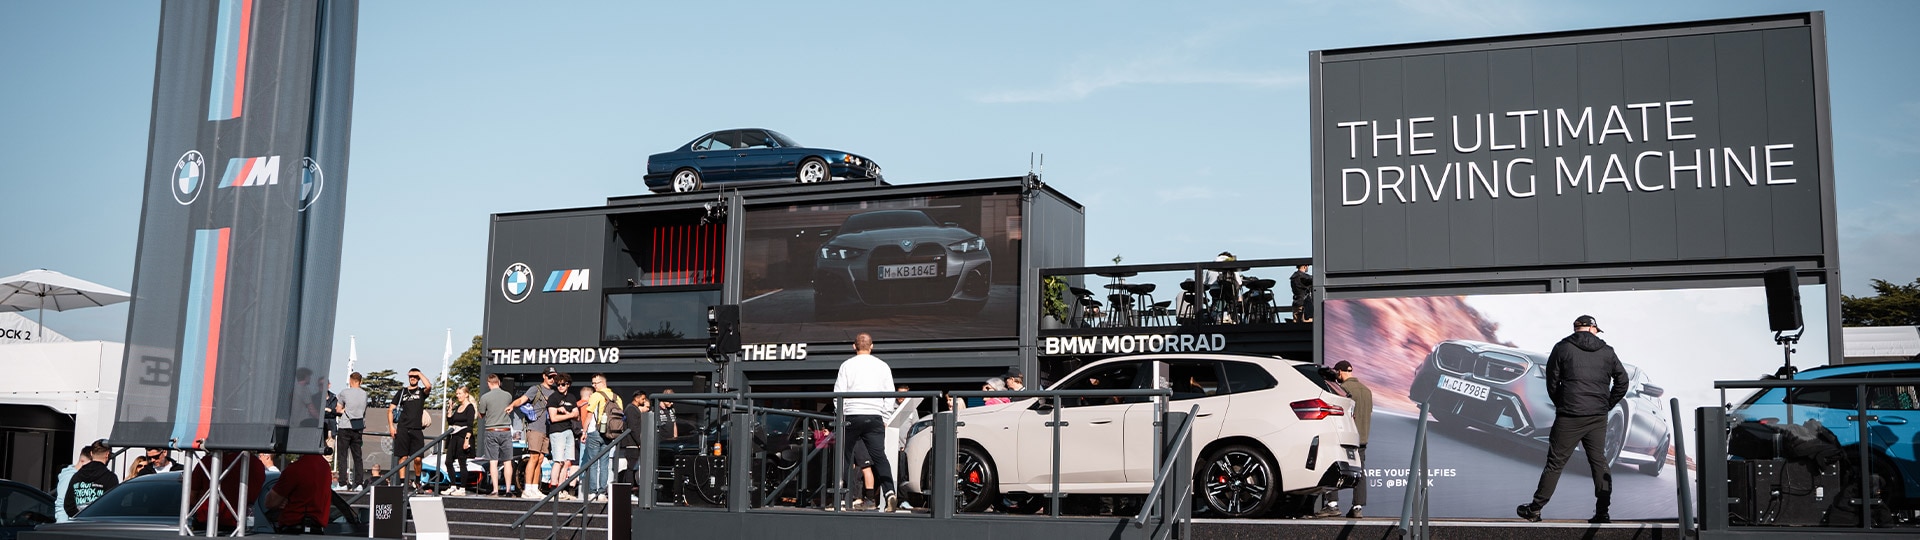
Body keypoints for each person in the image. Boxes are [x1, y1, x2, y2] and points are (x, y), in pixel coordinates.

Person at [1518, 315, 1629, 525]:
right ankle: (1603, 513)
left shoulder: (1562, 347)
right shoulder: (1607, 351)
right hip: (1596, 417)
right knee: (1599, 462)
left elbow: (1552, 381)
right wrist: (1606, 404)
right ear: (1592, 328)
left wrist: (1562, 402)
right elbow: (1622, 381)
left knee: (1555, 464)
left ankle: (1535, 509)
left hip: (1569, 415)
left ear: (1577, 328)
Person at [833, 333, 896, 512]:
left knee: (845, 457)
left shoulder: (846, 365)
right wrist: (885, 417)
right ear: (872, 346)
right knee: (880, 457)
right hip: (874, 416)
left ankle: (843, 496)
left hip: (852, 415)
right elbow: (890, 394)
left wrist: (842, 415)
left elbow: (838, 394)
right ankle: (889, 492)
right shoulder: (882, 366)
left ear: (854, 346)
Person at [508, 367, 559, 499]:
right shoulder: (536, 389)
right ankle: (527, 489)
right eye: (550, 376)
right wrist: (512, 405)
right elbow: (522, 399)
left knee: (540, 459)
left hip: (547, 429)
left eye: (554, 377)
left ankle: (535, 488)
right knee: (534, 457)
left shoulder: (554, 392)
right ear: (544, 376)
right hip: (535, 428)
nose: (552, 379)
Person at [189, 449, 265, 533]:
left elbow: (190, 498)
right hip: (241, 525)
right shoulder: (256, 465)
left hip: (206, 523)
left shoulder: (207, 462)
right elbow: (254, 496)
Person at [1333, 360, 1372, 518]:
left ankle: (1332, 504)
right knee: (1360, 472)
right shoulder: (1367, 391)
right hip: (1361, 439)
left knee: (1334, 468)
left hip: (1345, 438)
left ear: (1339, 372)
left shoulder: (1341, 389)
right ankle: (1357, 507)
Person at [265, 453, 333, 534]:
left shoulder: (296, 468)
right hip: (316, 530)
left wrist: (284, 500)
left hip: (294, 529)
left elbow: (270, 502)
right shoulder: (325, 467)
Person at [477, 373, 517, 497]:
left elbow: (481, 415)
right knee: (507, 461)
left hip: (491, 430)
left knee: (493, 462)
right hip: (505, 430)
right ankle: (508, 490)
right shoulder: (508, 396)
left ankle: (495, 489)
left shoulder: (485, 397)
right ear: (499, 382)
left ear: (488, 383)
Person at [395, 367, 433, 489]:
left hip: (416, 429)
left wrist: (419, 373)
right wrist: (391, 426)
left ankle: (417, 480)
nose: (413, 378)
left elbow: (428, 386)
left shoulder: (421, 392)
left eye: (415, 377)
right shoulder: (402, 392)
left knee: (417, 458)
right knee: (403, 457)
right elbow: (391, 409)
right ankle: (402, 482)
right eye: (411, 376)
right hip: (403, 428)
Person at [582, 373, 618, 501]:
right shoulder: (616, 397)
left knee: (592, 463)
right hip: (610, 433)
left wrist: (584, 432)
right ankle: (602, 492)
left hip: (595, 432)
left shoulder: (596, 396)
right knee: (604, 463)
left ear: (602, 383)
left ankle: (592, 492)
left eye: (595, 383)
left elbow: (589, 415)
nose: (593, 385)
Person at [545, 373, 579, 499]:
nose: (560, 386)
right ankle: (554, 489)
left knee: (567, 462)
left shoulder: (571, 397)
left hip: (569, 431)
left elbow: (577, 415)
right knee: (558, 461)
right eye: (558, 384)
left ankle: (561, 488)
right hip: (557, 431)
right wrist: (569, 415)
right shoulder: (553, 398)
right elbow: (553, 418)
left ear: (568, 385)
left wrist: (566, 413)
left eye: (563, 384)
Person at [64, 439, 116, 518]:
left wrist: (79, 517)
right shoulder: (110, 478)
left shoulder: (77, 476)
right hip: (100, 522)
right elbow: (112, 504)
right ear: (107, 454)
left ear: (91, 454)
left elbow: (68, 505)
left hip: (79, 522)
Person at [337, 371, 369, 488]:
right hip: (358, 427)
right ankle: (359, 483)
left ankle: (343, 483)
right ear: (361, 381)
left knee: (342, 456)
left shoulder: (344, 392)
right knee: (357, 456)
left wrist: (344, 410)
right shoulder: (364, 394)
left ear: (350, 381)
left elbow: (338, 409)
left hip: (345, 426)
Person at [446, 385, 477, 494]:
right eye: (457, 394)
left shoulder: (470, 408)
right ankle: (453, 485)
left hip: (463, 436)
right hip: (454, 437)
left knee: (462, 462)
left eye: (460, 393)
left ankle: (462, 488)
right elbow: (451, 421)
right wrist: (450, 409)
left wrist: (467, 440)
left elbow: (470, 425)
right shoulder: (458, 407)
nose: (458, 396)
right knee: (448, 461)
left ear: (466, 394)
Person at [53, 445, 90, 522]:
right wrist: (62, 525)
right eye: (90, 464)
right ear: (82, 461)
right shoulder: (69, 476)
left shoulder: (79, 475)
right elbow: (61, 503)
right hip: (68, 524)